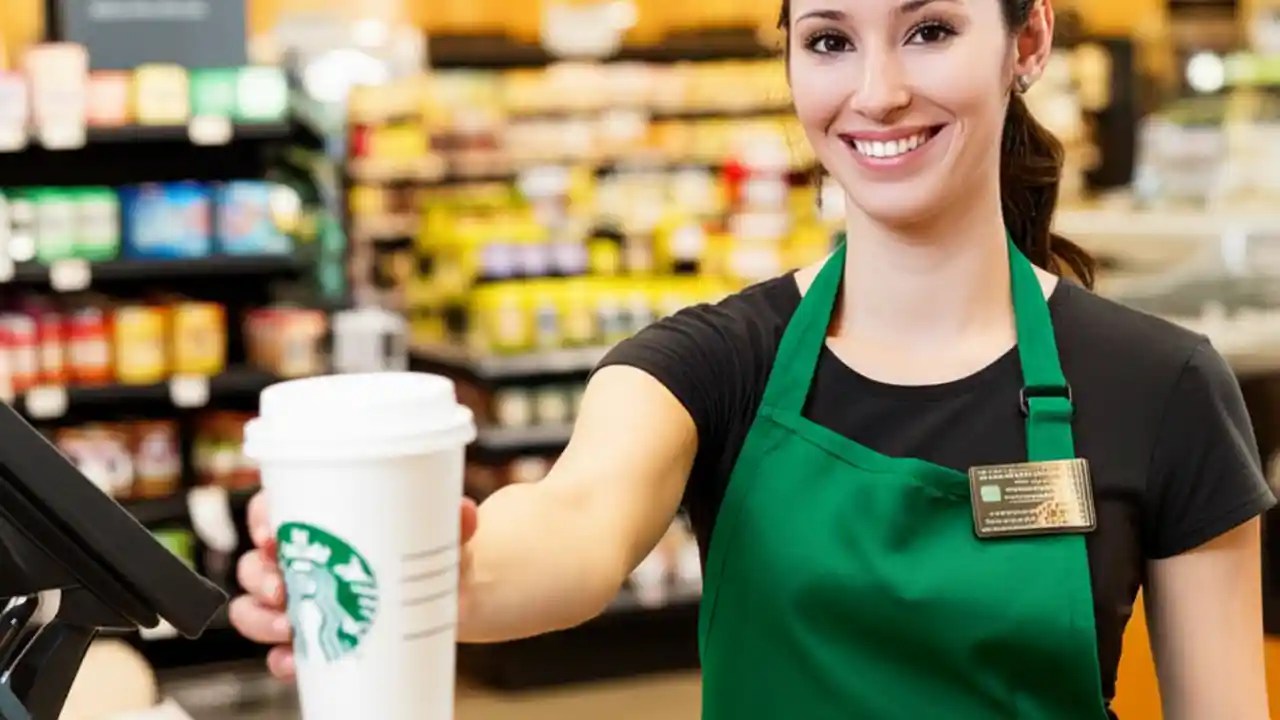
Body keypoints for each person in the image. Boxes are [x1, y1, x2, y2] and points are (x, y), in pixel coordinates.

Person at [230, 0, 1277, 716]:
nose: (874, 93)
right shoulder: (711, 366)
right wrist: (407, 569)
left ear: (1027, 39)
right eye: (827, 39)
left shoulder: (1160, 389)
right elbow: (568, 528)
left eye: (926, 31)